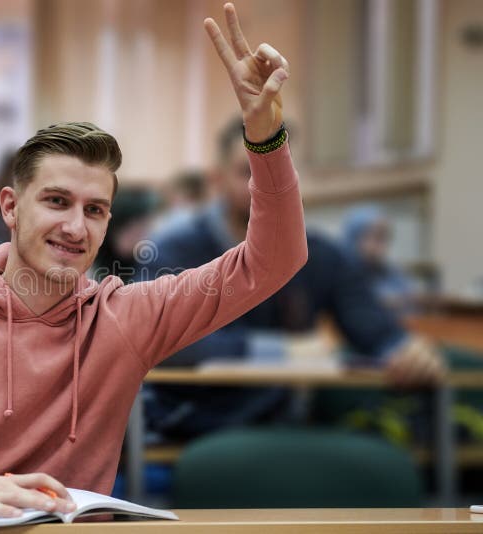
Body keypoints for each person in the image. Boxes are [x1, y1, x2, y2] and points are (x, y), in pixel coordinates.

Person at [0, 3, 306, 517]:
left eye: (95, 210)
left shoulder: (125, 319)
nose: (76, 227)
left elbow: (275, 258)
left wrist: (266, 138)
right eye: (56, 201)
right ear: (10, 207)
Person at [142, 118, 444, 440]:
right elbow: (160, 339)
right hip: (192, 427)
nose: (268, 183)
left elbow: (374, 329)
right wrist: (284, 351)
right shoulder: (176, 248)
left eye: (283, 172)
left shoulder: (322, 254)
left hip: (288, 428)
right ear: (218, 180)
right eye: (248, 171)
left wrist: (405, 351)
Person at [343, 203, 418, 315]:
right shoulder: (342, 274)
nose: (381, 246)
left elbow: (411, 302)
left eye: (385, 237)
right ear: (354, 237)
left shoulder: (390, 272)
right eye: (376, 237)